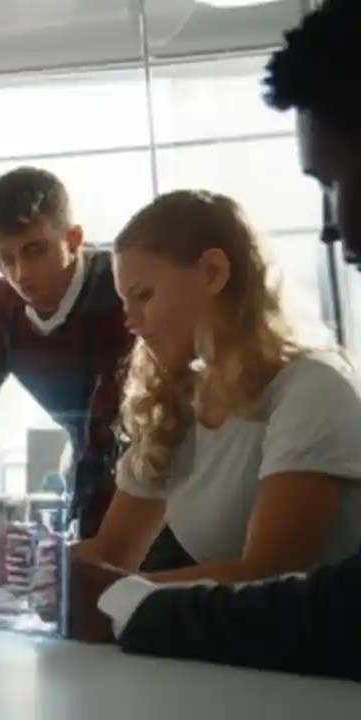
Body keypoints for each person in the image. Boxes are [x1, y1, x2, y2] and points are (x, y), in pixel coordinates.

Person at [66, 0, 361, 681]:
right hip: (247, 675)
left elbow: (270, 576)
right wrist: (32, 573)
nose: (131, 320)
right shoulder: (178, 400)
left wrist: (114, 597)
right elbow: (111, 552)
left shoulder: (312, 388)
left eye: (144, 295)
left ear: (214, 272)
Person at [0, 168, 133, 538]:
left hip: (156, 463)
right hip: (91, 459)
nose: (20, 273)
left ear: (74, 239)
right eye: (6, 257)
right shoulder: (1, 306)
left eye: (35, 251)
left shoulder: (118, 290)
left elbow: (109, 427)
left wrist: (86, 551)